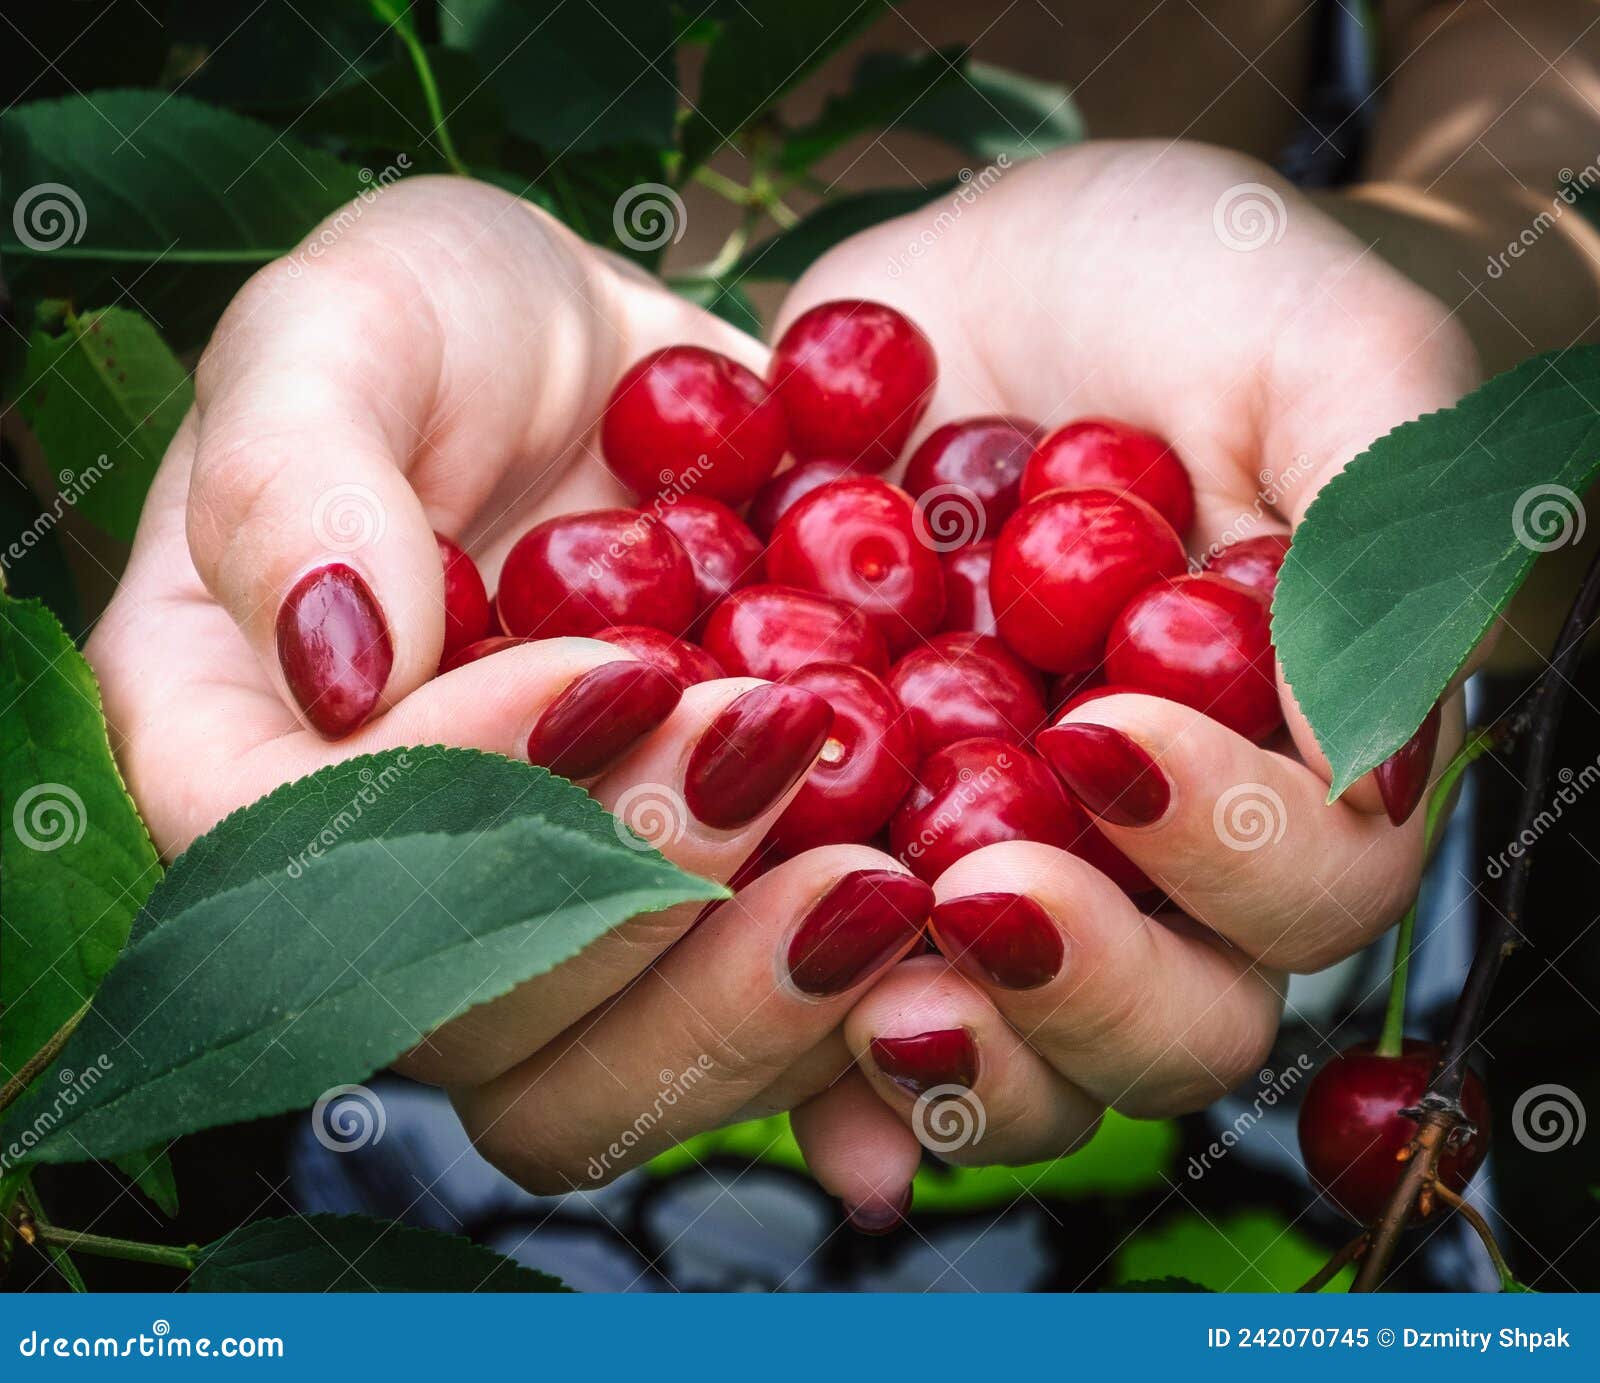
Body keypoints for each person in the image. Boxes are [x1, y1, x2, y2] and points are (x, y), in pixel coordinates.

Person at [85, 0, 1600, 1241]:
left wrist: (1428, 480)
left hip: (1256, 1049)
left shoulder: (1020, 563)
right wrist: (220, 510)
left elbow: (1547, 97)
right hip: (451, 1168)